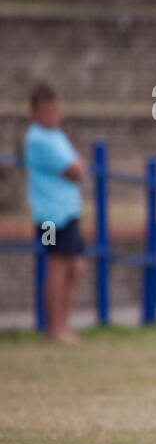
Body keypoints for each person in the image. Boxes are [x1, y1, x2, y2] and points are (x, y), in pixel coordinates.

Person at [23, 83, 86, 343]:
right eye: (46, 111)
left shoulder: (56, 135)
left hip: (68, 211)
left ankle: (64, 325)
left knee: (75, 267)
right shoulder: (37, 137)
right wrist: (78, 167)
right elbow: (76, 169)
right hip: (49, 216)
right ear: (35, 112)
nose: (52, 116)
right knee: (56, 267)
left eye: (55, 110)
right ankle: (55, 329)